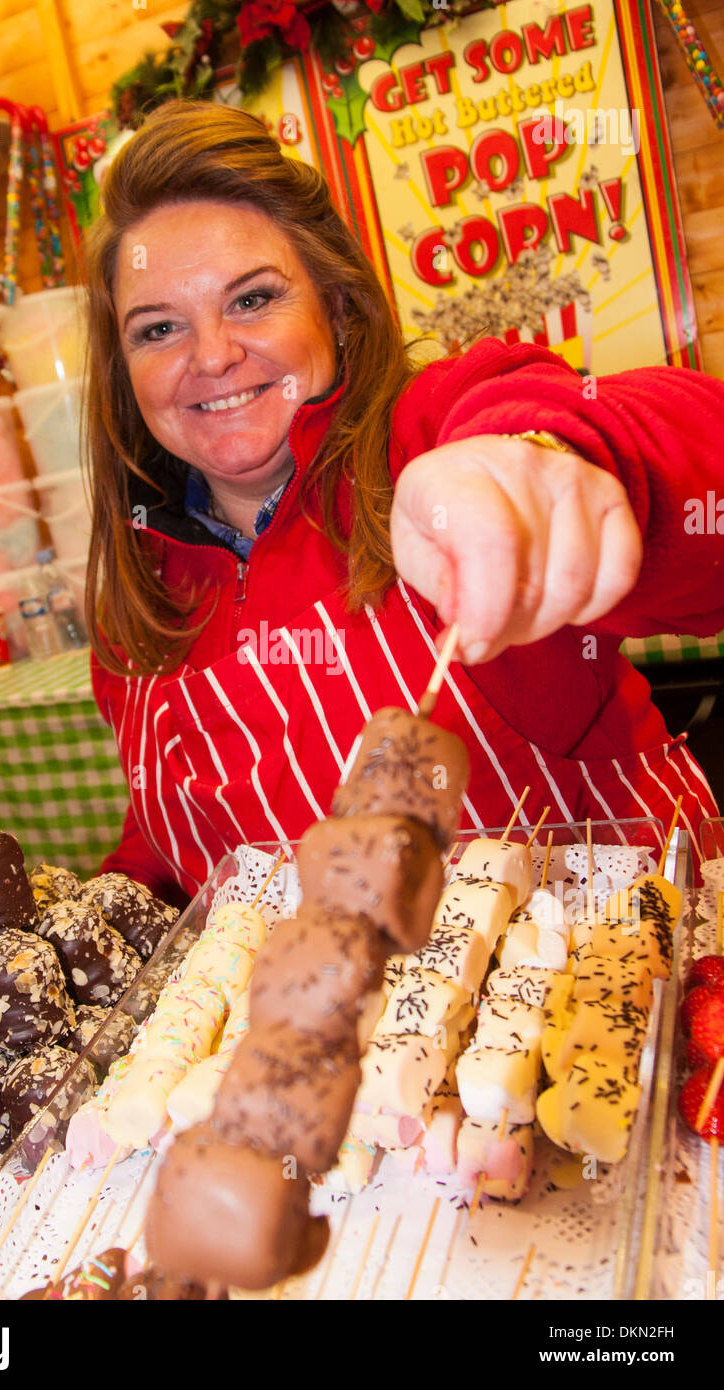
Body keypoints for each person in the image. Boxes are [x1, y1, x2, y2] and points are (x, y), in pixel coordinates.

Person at [83, 99, 722, 904]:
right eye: (156, 330)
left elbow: (694, 463)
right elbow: (180, 836)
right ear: (123, 370)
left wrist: (555, 461)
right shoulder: (138, 588)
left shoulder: (427, 438)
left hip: (630, 984)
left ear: (338, 308)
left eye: (252, 300)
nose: (210, 355)